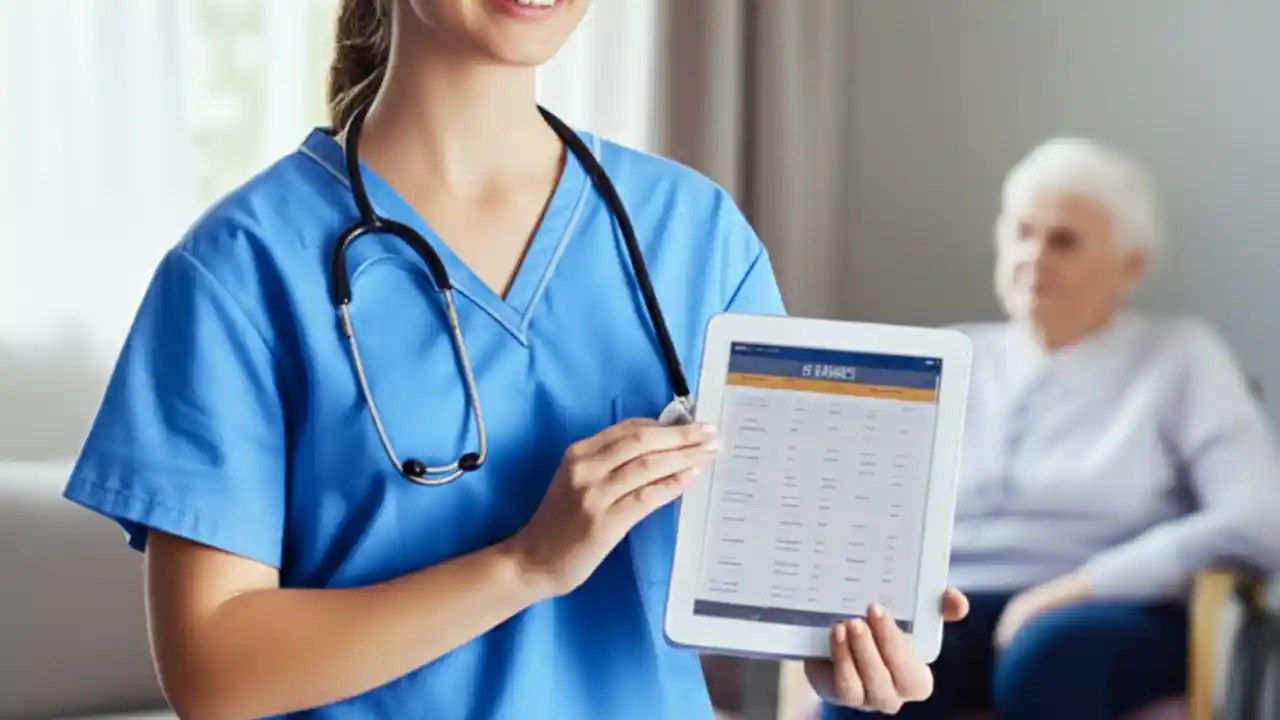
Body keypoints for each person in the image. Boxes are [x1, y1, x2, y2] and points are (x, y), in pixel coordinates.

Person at [63, 1, 967, 718]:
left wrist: (848, 654)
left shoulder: (694, 235)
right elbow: (215, 673)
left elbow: (770, 574)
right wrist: (525, 565)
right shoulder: (240, 265)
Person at [823, 137, 1280, 720]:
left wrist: (1076, 588)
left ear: (1130, 266)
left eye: (1063, 240)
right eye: (1022, 232)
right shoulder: (952, 354)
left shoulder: (1180, 357)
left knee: (1052, 654)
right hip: (951, 603)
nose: (1034, 255)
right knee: (874, 664)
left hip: (1110, 609)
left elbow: (1261, 518)